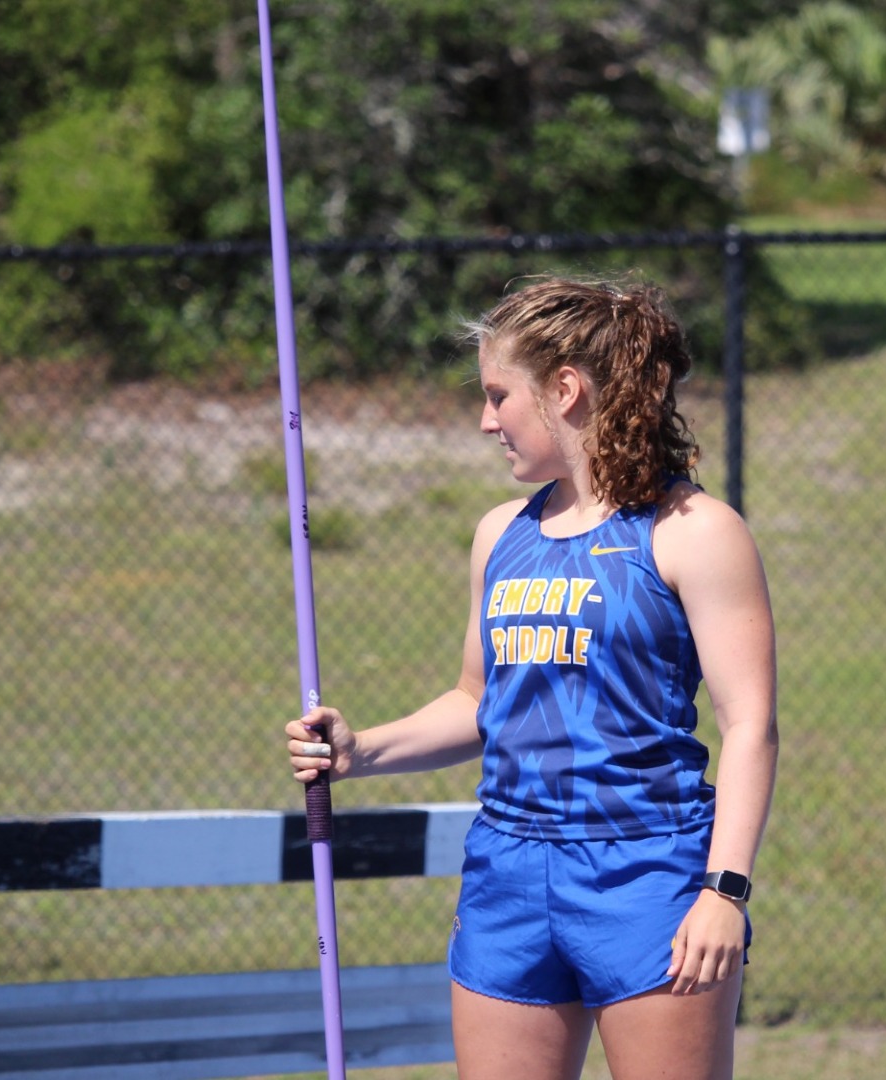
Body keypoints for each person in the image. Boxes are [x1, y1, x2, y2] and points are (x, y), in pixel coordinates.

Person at [286, 276, 779, 1080]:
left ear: (565, 390)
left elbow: (750, 725)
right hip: (507, 874)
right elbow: (478, 703)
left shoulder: (693, 532)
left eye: (497, 396)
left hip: (646, 874)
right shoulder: (498, 536)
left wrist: (724, 891)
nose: (486, 422)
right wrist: (359, 750)